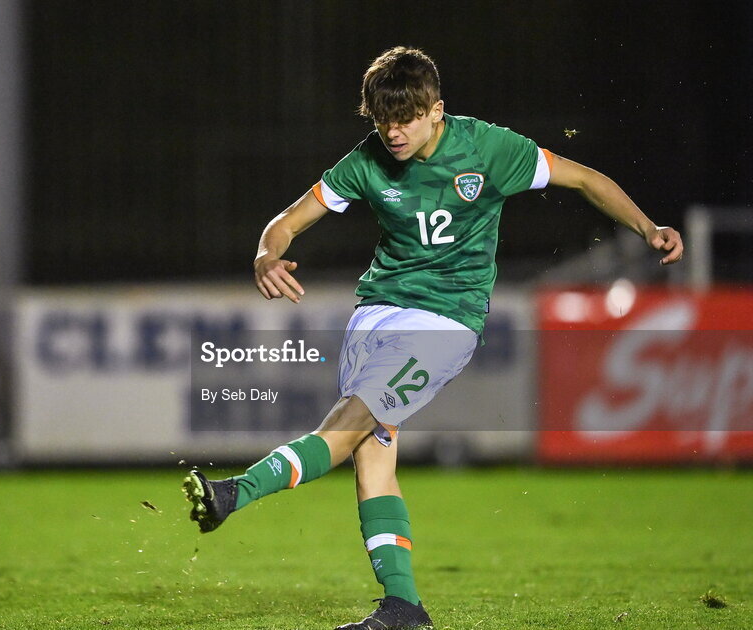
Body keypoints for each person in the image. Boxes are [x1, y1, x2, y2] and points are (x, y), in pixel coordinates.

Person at [182, 46, 683, 630]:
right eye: (381, 120)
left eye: (406, 119)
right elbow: (289, 220)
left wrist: (647, 227)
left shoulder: (488, 148)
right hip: (375, 316)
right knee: (372, 457)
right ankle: (403, 607)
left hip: (445, 322)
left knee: (347, 427)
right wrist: (267, 254)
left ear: (436, 109)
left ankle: (235, 493)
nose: (393, 133)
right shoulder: (366, 159)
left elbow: (584, 179)